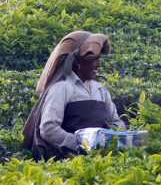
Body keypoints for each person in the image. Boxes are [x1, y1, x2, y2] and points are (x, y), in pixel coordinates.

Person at [22, 31, 125, 160]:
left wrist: (111, 137)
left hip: (103, 158)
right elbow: (48, 128)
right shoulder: (61, 88)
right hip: (71, 159)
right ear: (78, 62)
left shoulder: (100, 90)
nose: (99, 65)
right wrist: (78, 143)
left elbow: (116, 122)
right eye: (95, 59)